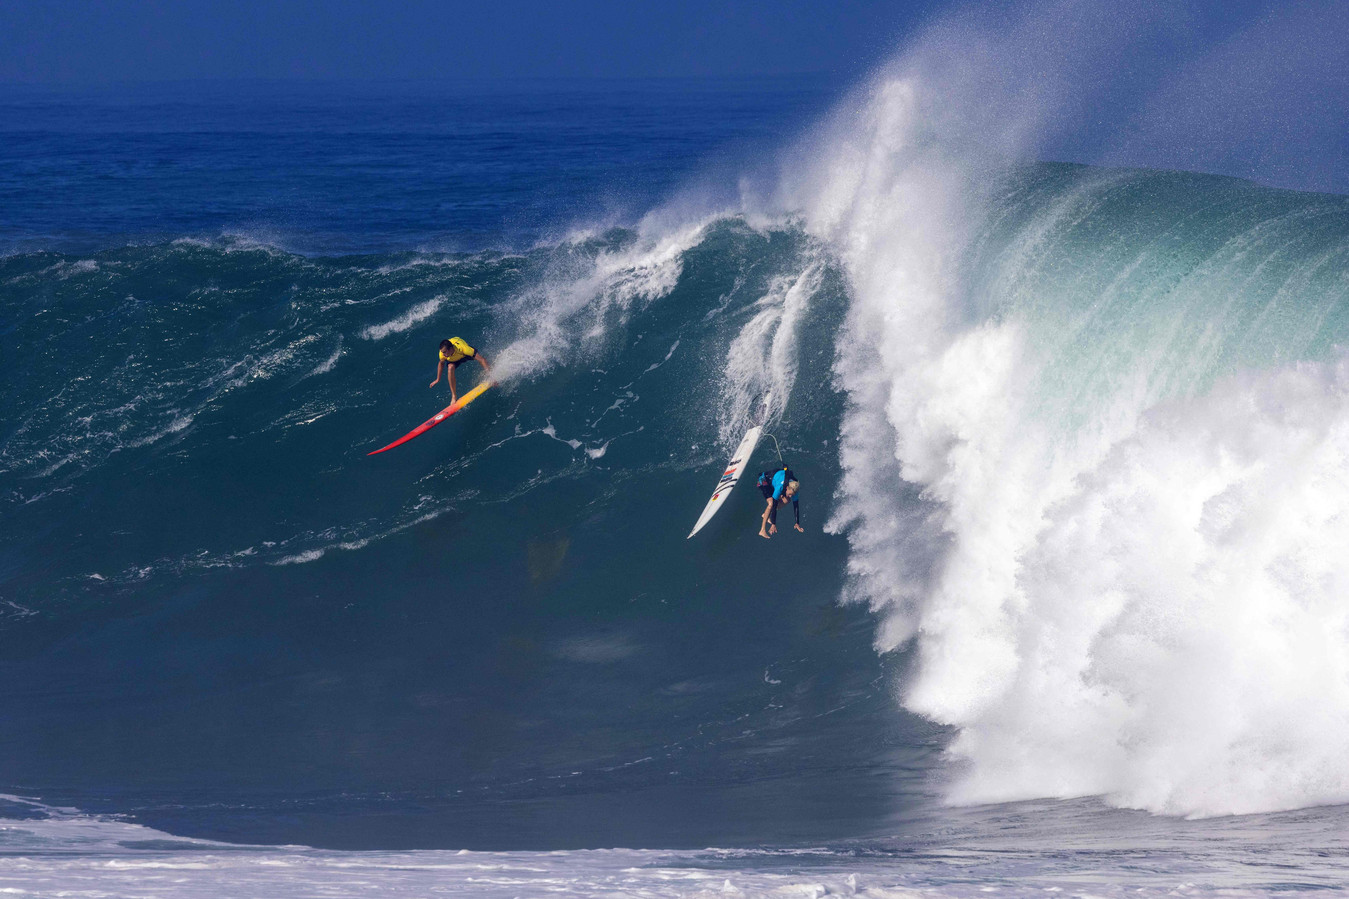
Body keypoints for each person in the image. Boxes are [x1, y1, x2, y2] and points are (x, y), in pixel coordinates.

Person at [430, 337, 491, 404]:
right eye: (442, 352)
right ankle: (454, 396)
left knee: (479, 359)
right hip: (453, 359)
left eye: (444, 352)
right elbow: (441, 364)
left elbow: (482, 360)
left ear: (450, 349)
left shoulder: (464, 349)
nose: (443, 354)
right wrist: (438, 379)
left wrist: (491, 377)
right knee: (450, 368)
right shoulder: (442, 354)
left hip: (463, 355)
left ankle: (488, 371)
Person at [757, 464, 803, 539]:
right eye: (790, 494)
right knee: (771, 503)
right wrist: (773, 524)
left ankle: (765, 514)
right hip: (764, 480)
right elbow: (774, 506)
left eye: (792, 495)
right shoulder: (780, 487)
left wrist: (797, 523)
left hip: (776, 480)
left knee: (787, 500)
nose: (791, 496)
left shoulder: (795, 489)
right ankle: (762, 530)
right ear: (787, 488)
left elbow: (796, 506)